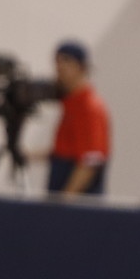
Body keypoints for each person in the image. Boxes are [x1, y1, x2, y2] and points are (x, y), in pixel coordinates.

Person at [45, 40, 109, 197]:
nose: (59, 68)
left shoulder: (89, 107)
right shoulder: (69, 104)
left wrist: (67, 197)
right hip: (58, 188)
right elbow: (66, 150)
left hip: (79, 203)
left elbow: (91, 161)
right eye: (57, 61)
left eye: (66, 61)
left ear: (82, 67)